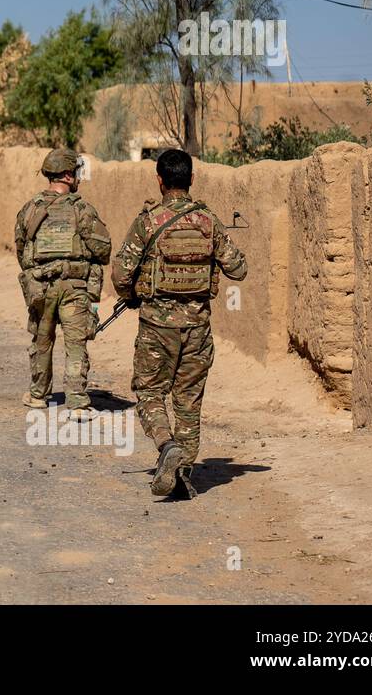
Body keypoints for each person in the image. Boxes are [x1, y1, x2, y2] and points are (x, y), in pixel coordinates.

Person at [111, 149, 248, 498]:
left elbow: (122, 272)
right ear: (190, 180)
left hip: (157, 327)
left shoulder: (148, 222)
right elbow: (239, 269)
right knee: (188, 400)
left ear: (160, 180)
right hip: (198, 328)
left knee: (149, 392)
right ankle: (183, 474)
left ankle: (165, 445)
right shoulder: (209, 221)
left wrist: (131, 296)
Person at [15, 148, 111, 421]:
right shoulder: (81, 209)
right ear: (68, 176)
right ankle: (77, 402)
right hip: (74, 286)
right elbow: (103, 250)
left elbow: (22, 251)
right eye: (77, 174)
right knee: (76, 343)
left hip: (41, 287)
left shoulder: (30, 209)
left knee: (42, 340)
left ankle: (37, 395)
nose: (79, 179)